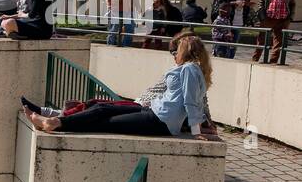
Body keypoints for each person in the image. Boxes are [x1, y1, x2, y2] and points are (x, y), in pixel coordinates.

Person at [23, 33, 216, 138]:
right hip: (155, 114)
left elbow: (192, 103)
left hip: (160, 122)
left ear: (186, 51)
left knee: (106, 122)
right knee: (101, 108)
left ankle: (55, 123)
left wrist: (196, 133)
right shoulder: (193, 70)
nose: (175, 55)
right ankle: (54, 120)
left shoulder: (190, 69)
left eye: (177, 51)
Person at [256, 0, 294, 64]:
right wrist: (262, 17)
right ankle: (254, 60)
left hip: (282, 19)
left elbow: (292, 3)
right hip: (268, 18)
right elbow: (261, 1)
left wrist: (290, 18)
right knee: (261, 41)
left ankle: (273, 63)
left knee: (278, 44)